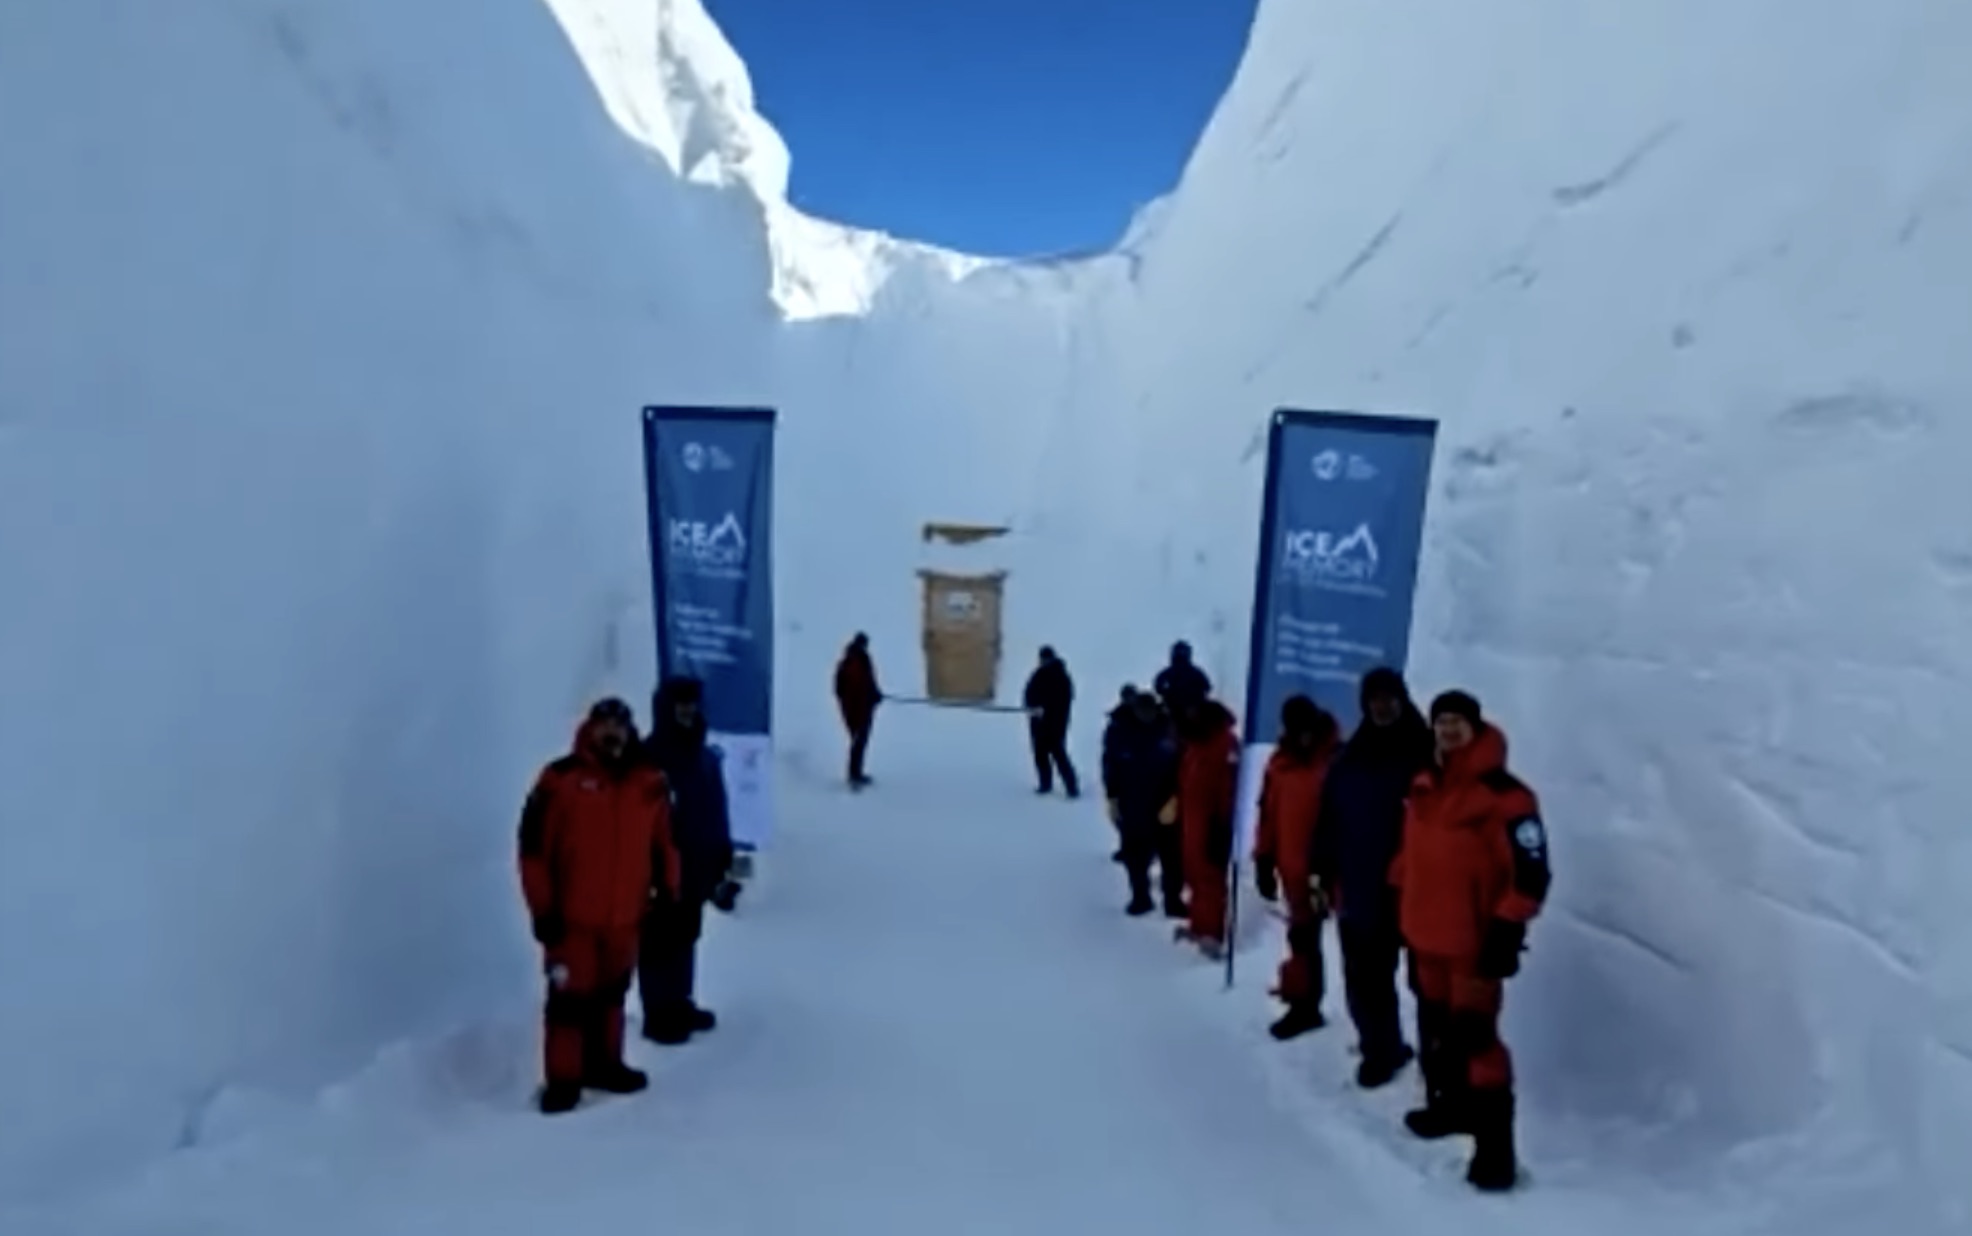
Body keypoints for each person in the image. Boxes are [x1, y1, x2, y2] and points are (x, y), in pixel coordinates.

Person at [1389, 689, 1550, 1192]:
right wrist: (1396, 895)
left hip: (1473, 945)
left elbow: (1531, 875)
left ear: (1475, 727)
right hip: (1425, 936)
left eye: (1457, 722)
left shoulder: (1507, 797)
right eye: (1441, 722)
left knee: (1477, 1039)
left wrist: (1508, 928)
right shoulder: (1423, 783)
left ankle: (1496, 1152)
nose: (1448, 730)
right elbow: (1412, 854)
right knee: (1438, 1032)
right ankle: (1451, 1108)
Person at [517, 698, 681, 1115]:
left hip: (625, 918)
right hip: (571, 920)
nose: (612, 734)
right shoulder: (560, 781)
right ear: (589, 730)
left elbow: (666, 843)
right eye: (604, 726)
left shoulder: (650, 782)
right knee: (568, 1002)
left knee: (612, 996)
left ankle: (606, 1066)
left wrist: (668, 895)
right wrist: (542, 910)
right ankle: (564, 1080)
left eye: (619, 727)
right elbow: (533, 850)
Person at [1313, 666, 1434, 1087]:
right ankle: (1381, 1050)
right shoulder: (1349, 759)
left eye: (1389, 698)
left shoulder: (1429, 754)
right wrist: (1319, 870)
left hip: (1420, 892)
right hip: (1362, 887)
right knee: (1365, 980)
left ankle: (1439, 1075)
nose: (1382, 707)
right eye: (1374, 699)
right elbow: (1327, 821)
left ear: (1403, 700)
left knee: (1431, 989)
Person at [637, 676, 735, 1046]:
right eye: (680, 704)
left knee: (686, 933)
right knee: (658, 939)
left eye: (692, 703)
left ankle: (679, 1001)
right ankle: (658, 1012)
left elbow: (716, 806)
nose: (688, 711)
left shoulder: (704, 755)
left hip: (697, 864)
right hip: (659, 869)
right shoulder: (648, 758)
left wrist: (722, 850)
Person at [1252, 694, 1341, 1041]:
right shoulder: (1280, 764)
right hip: (1294, 869)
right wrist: (1263, 857)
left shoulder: (1337, 760)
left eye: (1308, 728)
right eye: (1296, 729)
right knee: (1302, 938)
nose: (1303, 735)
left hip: (1334, 869)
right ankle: (1305, 1005)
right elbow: (1268, 812)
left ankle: (1377, 1034)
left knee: (1359, 950)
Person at [1101, 685, 1180, 916]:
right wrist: (1112, 797)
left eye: (1150, 712)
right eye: (1142, 712)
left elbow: (1182, 765)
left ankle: (1173, 900)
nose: (1147, 716)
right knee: (1134, 855)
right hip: (1131, 801)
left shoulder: (1169, 728)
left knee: (1171, 856)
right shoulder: (1119, 730)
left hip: (1165, 802)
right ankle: (1140, 897)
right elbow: (1110, 764)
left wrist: (1176, 797)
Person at [1174, 696, 1241, 958]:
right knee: (1193, 873)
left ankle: (1212, 932)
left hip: (1213, 823)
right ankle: (1198, 924)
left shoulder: (1226, 744)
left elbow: (1230, 786)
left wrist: (1223, 824)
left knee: (1210, 878)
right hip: (1192, 820)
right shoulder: (1194, 744)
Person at [1023, 646, 1079, 797]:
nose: (1043, 661)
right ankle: (1045, 783)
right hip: (1038, 724)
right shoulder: (1038, 674)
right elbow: (1029, 693)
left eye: (1046, 659)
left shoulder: (1061, 676)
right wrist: (1032, 707)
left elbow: (1063, 701)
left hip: (1055, 724)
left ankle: (1072, 787)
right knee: (1040, 755)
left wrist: (1046, 710)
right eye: (1042, 659)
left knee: (1059, 754)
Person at [834, 632, 882, 789]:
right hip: (858, 709)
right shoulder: (855, 662)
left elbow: (868, 682)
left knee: (859, 742)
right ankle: (854, 775)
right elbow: (855, 687)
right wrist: (869, 696)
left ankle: (856, 773)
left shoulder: (858, 661)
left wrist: (875, 694)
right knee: (858, 742)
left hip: (861, 707)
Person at [1153, 641, 1212, 722]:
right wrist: (1167, 693)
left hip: (1193, 708)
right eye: (1179, 652)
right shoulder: (1170, 672)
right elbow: (1158, 684)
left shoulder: (1194, 672)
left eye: (1182, 652)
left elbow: (1207, 686)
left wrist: (1196, 695)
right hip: (1174, 707)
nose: (1180, 655)